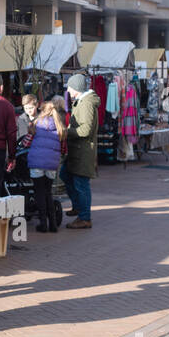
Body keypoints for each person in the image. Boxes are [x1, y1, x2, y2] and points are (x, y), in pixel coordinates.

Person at [63, 73, 100, 229]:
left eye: (70, 88)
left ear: (76, 88)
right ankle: (79, 207)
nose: (68, 91)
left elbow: (85, 130)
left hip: (82, 151)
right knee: (65, 175)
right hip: (78, 150)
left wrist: (66, 131)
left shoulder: (85, 103)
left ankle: (84, 217)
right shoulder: (82, 101)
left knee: (81, 184)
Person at [26, 99, 67, 233]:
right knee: (48, 192)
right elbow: (63, 149)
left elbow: (27, 142)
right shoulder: (59, 126)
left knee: (39, 192)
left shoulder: (36, 124)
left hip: (37, 162)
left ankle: (43, 223)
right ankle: (53, 224)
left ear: (42, 111)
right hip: (51, 164)